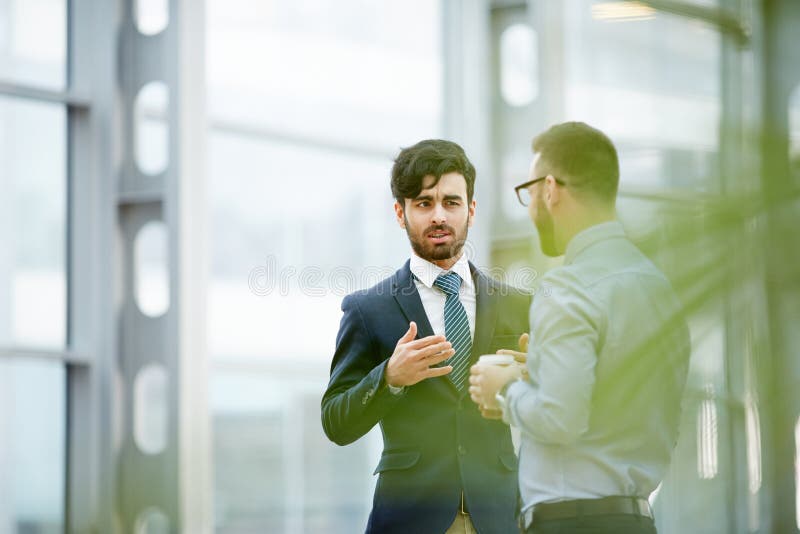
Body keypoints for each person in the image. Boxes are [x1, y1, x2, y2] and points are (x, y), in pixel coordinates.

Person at [468, 122, 691, 534]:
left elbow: (560, 417)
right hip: (635, 520)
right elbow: (642, 407)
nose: (531, 208)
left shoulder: (567, 286)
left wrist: (504, 388)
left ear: (550, 189)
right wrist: (542, 373)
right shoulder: (659, 289)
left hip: (571, 522)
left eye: (529, 193)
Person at [321, 139, 530, 534]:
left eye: (451, 202)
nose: (439, 216)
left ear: (471, 210)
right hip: (410, 520)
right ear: (400, 213)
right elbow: (336, 422)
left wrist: (538, 376)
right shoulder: (368, 310)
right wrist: (389, 377)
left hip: (501, 518)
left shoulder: (519, 305)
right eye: (423, 203)